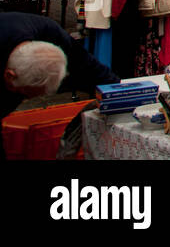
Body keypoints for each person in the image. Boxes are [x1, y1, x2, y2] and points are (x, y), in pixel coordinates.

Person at [1, 13, 119, 160]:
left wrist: (120, 97)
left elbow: (101, 77)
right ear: (9, 76)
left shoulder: (52, 35)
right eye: (26, 94)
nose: (26, 100)